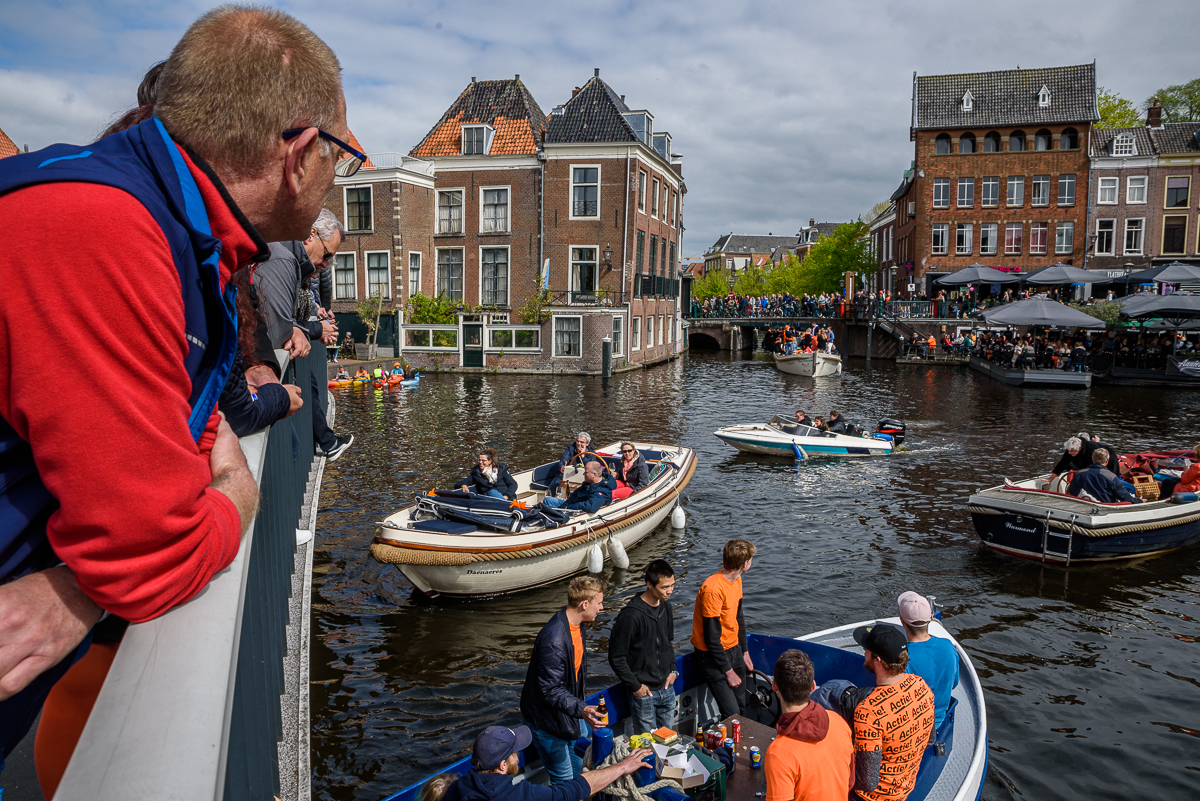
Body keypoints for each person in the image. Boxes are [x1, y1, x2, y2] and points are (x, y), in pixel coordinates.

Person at [0, 4, 347, 768]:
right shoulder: (106, 233)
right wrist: (238, 491)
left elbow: (187, 427)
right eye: (340, 157)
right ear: (300, 153)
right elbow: (151, 558)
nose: (335, 175)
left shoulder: (178, 237)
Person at [254, 208, 354, 461]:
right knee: (292, 449)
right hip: (259, 373)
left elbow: (283, 320)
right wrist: (311, 328)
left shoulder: (291, 262)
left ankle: (327, 441)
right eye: (327, 254)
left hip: (264, 369)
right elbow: (277, 329)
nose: (325, 263)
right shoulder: (282, 261)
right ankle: (327, 443)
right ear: (311, 234)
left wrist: (299, 327)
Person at [812, 623, 935, 801]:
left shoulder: (869, 712)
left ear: (877, 660)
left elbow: (867, 782)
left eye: (866, 650)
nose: (864, 652)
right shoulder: (921, 686)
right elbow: (929, 740)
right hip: (905, 787)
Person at [521, 577, 609, 783]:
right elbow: (550, 689)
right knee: (565, 780)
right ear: (585, 604)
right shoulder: (554, 640)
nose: (602, 607)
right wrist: (581, 709)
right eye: (599, 603)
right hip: (547, 721)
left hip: (568, 712)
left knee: (579, 763)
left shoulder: (578, 624)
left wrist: (578, 709)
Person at [445, 724, 651, 801]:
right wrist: (622, 766)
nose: (518, 754)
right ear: (502, 766)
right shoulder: (516, 795)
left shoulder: (457, 788)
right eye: (514, 752)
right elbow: (570, 791)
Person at [764, 650, 854, 801]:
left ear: (774, 685)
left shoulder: (778, 753)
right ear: (813, 686)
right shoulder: (838, 721)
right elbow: (850, 781)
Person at [608, 560, 678, 734]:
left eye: (672, 585)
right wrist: (636, 686)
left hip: (667, 688)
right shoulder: (630, 616)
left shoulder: (666, 607)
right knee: (648, 745)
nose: (670, 591)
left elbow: (668, 642)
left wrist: (673, 670)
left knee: (668, 740)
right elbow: (616, 657)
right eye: (664, 587)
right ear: (649, 585)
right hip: (644, 693)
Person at [690, 539, 756, 718]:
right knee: (732, 711)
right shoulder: (713, 589)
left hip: (734, 648)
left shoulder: (737, 580)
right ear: (745, 564)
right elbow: (711, 637)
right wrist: (728, 671)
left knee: (742, 704)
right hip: (712, 655)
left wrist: (745, 651)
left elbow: (738, 618)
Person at [897, 592, 958, 728]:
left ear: (901, 620)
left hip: (913, 727)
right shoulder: (948, 646)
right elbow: (954, 683)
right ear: (931, 618)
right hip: (939, 722)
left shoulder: (902, 657)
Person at [1068, 449, 1140, 503]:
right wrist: (1139, 501)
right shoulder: (1111, 477)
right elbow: (1124, 497)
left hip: (1083, 507)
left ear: (1092, 458)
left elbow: (1072, 492)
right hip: (1105, 508)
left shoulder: (1078, 474)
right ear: (1107, 461)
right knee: (1132, 488)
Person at [542, 462, 614, 513]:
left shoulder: (602, 490)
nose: (583, 474)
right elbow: (575, 494)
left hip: (579, 512)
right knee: (547, 500)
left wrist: (570, 507)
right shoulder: (588, 483)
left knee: (548, 505)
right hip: (573, 506)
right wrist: (565, 506)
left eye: (586, 472)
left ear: (594, 474)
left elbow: (591, 507)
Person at [546, 432, 601, 497]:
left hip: (584, 477)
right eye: (577, 441)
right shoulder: (570, 449)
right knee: (554, 484)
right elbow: (563, 460)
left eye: (582, 442)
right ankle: (551, 499)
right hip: (567, 475)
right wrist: (562, 467)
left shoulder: (592, 454)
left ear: (587, 444)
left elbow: (592, 468)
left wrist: (583, 457)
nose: (579, 444)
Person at [1052, 435, 1119, 477]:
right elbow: (1063, 462)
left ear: (1080, 448)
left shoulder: (1092, 449)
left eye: (1071, 451)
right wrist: (1052, 477)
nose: (1069, 453)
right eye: (1068, 450)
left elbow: (1095, 466)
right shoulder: (1070, 448)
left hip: (1107, 458)